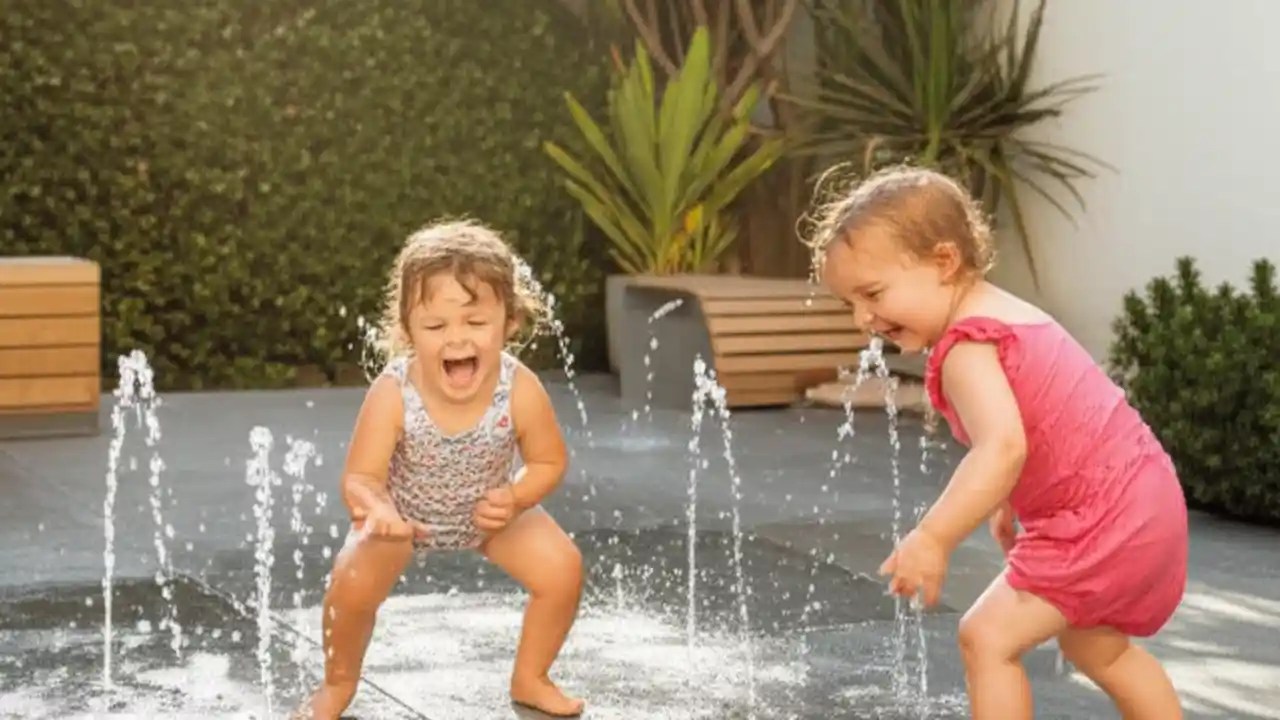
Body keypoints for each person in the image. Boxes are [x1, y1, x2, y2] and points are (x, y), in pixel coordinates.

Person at [809, 165, 1188, 719]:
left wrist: (934, 538)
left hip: (1101, 517)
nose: (864, 318)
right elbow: (1052, 416)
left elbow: (1003, 447)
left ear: (944, 261)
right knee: (1098, 649)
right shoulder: (1006, 312)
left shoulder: (967, 345)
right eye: (851, 303)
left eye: (873, 293)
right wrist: (1011, 498)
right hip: (1146, 498)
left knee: (985, 637)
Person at [294, 219, 586, 719]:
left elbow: (548, 461)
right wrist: (378, 511)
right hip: (401, 522)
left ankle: (531, 676)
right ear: (408, 330)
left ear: (509, 322)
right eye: (435, 326)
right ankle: (337, 683)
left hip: (489, 513)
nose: (456, 339)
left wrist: (515, 498)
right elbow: (359, 478)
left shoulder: (519, 389)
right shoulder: (395, 391)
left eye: (475, 323)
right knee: (350, 586)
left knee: (563, 570)